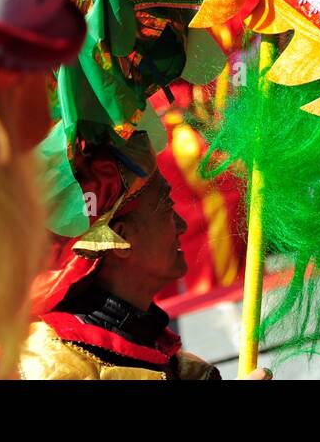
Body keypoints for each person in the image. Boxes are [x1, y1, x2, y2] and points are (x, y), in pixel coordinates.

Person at [19, 148, 269, 380]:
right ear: (120, 236)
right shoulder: (50, 362)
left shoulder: (185, 368)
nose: (182, 225)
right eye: (167, 209)